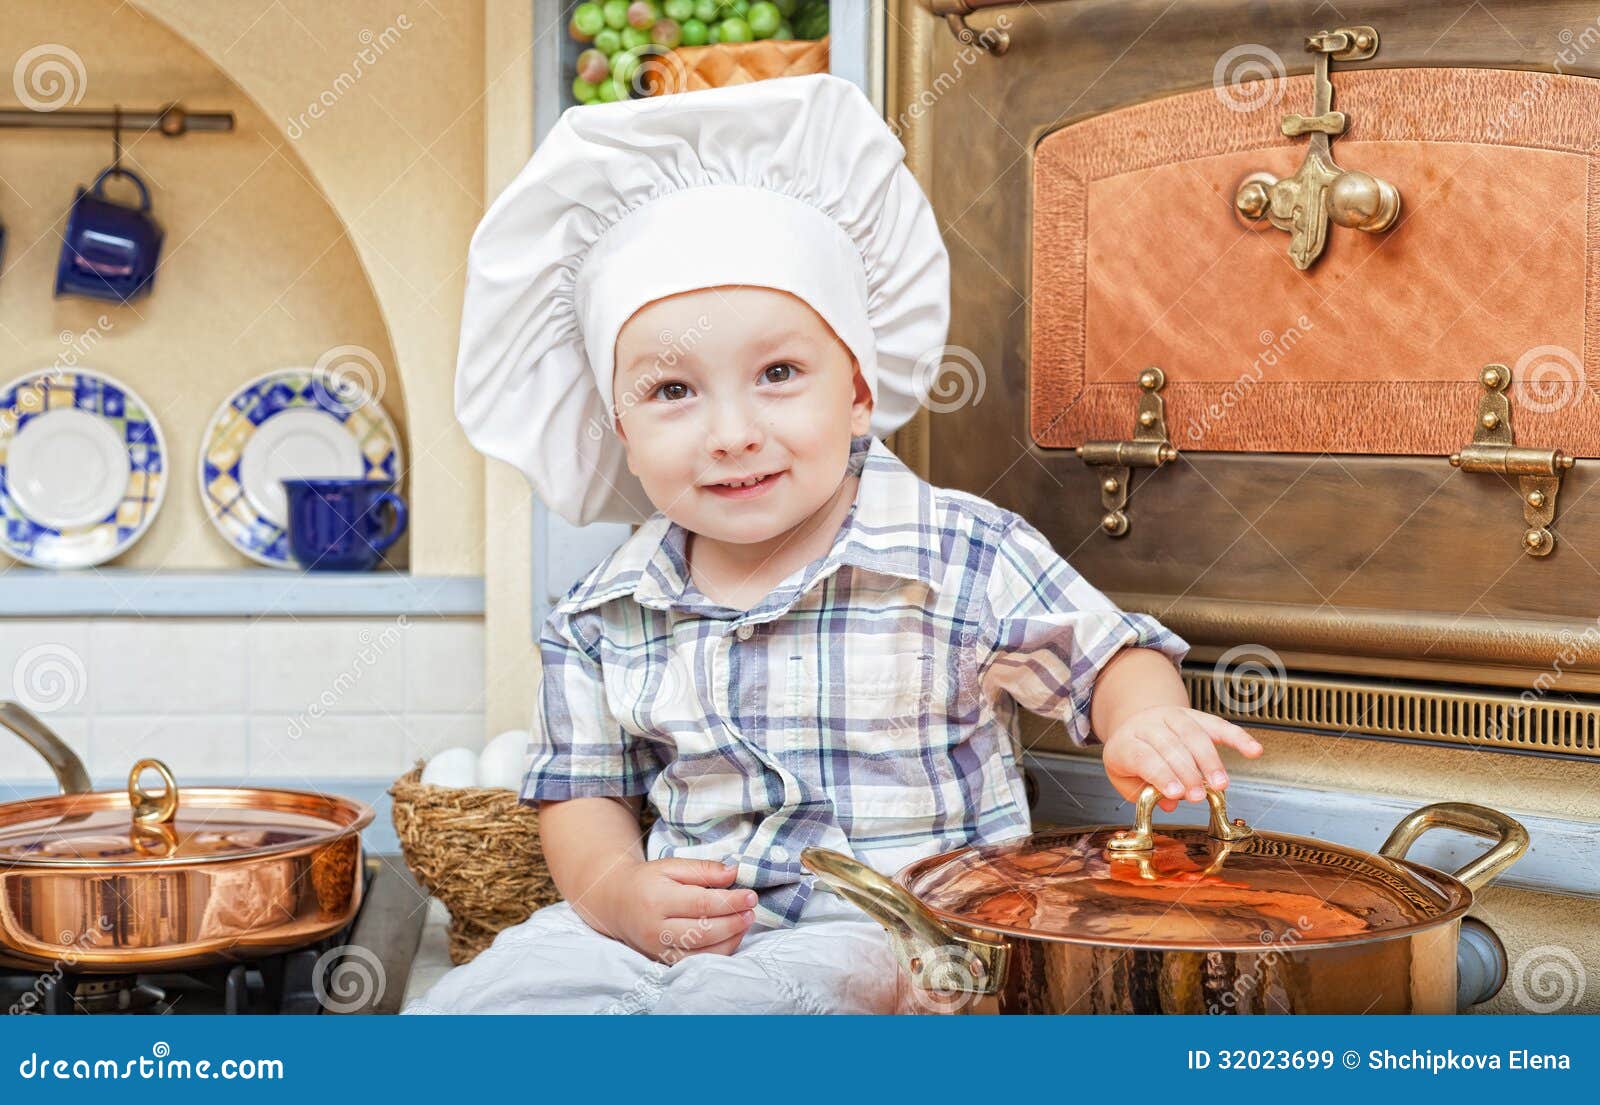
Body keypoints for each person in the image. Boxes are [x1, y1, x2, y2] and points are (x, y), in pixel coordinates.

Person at [404, 73, 1261, 1015]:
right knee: (471, 1009)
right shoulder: (604, 612)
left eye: (778, 373)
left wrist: (1143, 720)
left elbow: (1108, 657)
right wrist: (618, 895)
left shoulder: (956, 550)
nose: (730, 431)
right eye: (672, 392)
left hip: (901, 928)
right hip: (688, 923)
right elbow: (583, 793)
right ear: (616, 425)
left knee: (752, 1012)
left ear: (858, 388)